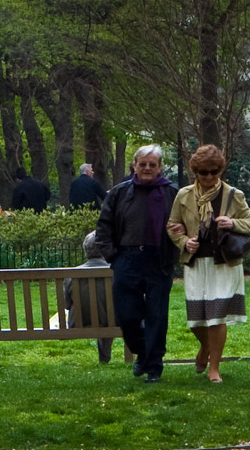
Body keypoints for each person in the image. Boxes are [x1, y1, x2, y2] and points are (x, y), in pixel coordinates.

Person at [91, 144, 181, 383]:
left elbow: (184, 223)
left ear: (160, 167)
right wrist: (113, 256)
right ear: (135, 165)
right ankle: (142, 352)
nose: (147, 168)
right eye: (143, 164)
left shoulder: (173, 192)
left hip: (158, 260)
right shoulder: (120, 193)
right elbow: (104, 226)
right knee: (126, 315)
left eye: (152, 164)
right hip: (126, 260)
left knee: (156, 315)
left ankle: (153, 367)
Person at [166, 145, 250, 383]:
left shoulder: (232, 195)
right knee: (196, 319)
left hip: (224, 263)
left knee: (217, 317)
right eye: (203, 172)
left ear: (220, 170)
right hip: (196, 263)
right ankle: (205, 347)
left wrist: (232, 223)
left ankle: (214, 368)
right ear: (195, 171)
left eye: (214, 172)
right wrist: (185, 242)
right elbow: (172, 225)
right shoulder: (184, 195)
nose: (208, 177)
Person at [59, 232, 116, 363]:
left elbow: (66, 305)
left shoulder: (71, 275)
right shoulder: (116, 272)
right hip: (113, 321)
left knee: (102, 314)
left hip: (79, 322)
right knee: (108, 315)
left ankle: (104, 358)